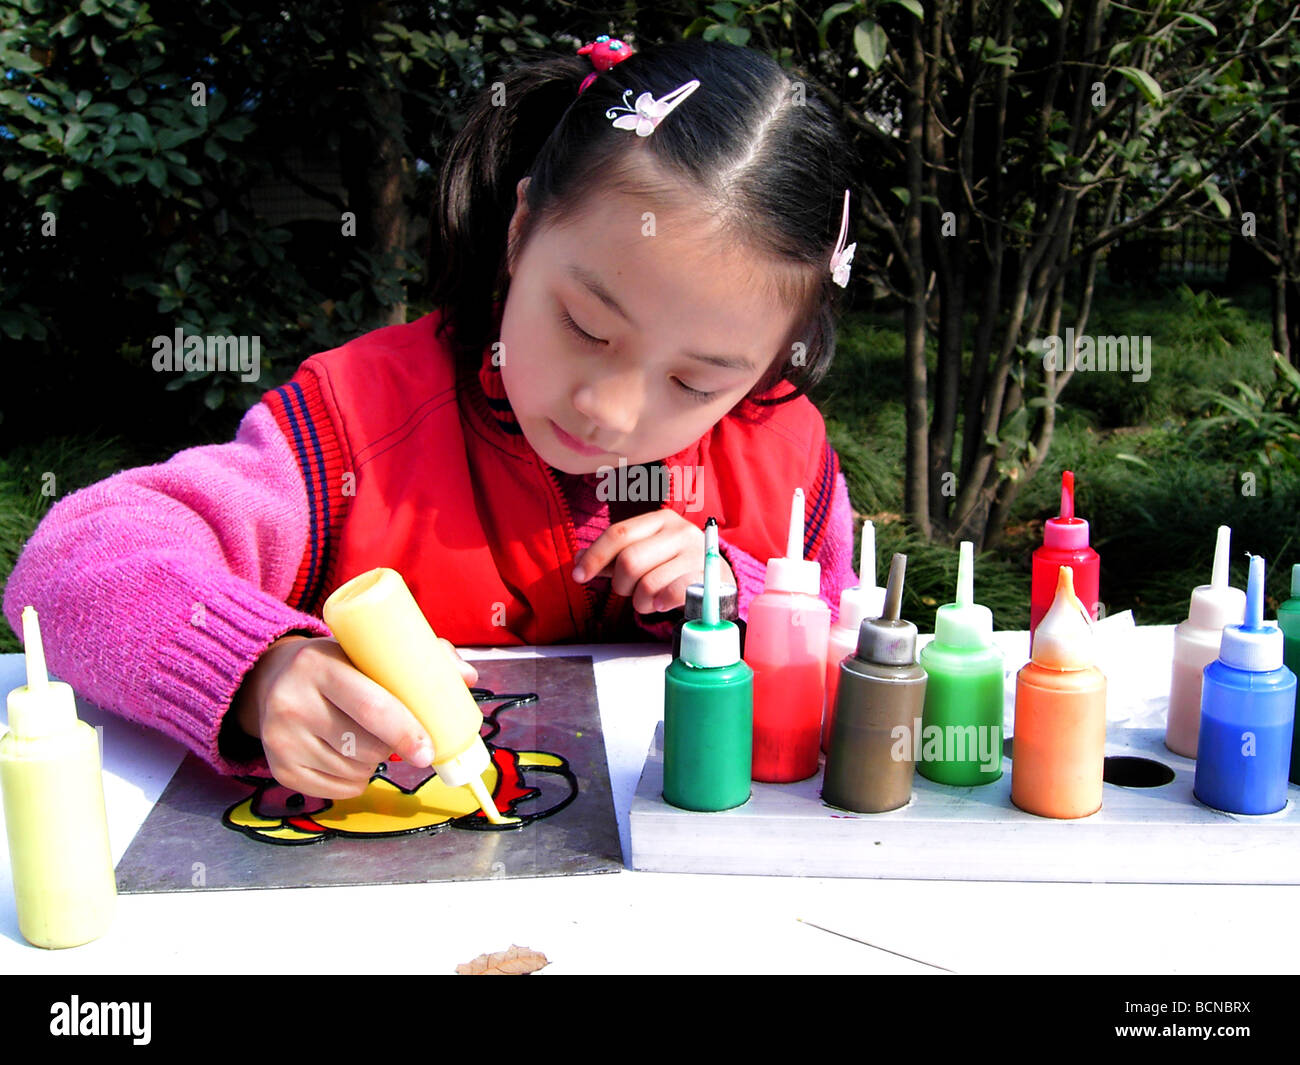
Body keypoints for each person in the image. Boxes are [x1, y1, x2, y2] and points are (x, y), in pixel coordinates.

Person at [3, 37, 859, 800]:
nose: (610, 408)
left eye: (696, 381)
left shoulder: (782, 463)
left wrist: (749, 599)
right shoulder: (350, 427)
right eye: (586, 327)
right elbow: (73, 564)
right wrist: (258, 671)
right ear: (522, 229)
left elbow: (848, 640)